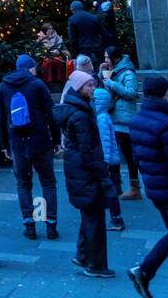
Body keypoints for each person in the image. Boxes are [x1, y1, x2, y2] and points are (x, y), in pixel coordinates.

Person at [55, 70, 116, 278]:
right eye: (89, 85)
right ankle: (95, 264)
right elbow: (88, 150)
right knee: (94, 218)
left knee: (89, 215)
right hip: (85, 172)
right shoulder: (81, 115)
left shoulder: (77, 110)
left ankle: (83, 255)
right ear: (80, 87)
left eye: (93, 84)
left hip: (78, 171)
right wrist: (103, 174)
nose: (93, 88)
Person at [0, 53, 60, 240]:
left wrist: (4, 144)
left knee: (23, 184)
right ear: (30, 67)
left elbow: (0, 118)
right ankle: (51, 225)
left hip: (17, 143)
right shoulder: (37, 84)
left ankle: (29, 225)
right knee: (47, 182)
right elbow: (51, 114)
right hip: (40, 141)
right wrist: (56, 140)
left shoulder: (4, 86)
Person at [127, 74, 168, 298]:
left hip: (155, 188)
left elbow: (138, 158)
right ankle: (144, 270)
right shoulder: (166, 125)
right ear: (164, 93)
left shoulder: (137, 121)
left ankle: (144, 272)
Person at [101, 45, 141, 200]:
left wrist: (111, 83)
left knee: (128, 154)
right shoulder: (114, 70)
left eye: (106, 57)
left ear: (115, 58)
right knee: (117, 152)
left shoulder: (128, 72)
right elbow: (105, 87)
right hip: (114, 116)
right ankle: (118, 185)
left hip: (124, 119)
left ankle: (134, 187)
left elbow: (131, 93)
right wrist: (102, 73)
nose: (105, 60)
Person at [93, 86, 125, 232]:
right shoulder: (104, 116)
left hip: (108, 161)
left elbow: (105, 141)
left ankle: (116, 219)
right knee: (110, 189)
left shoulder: (101, 119)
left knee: (110, 190)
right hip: (112, 160)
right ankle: (115, 217)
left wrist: (104, 161)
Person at [67, 0, 104, 69]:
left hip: (83, 50)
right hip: (97, 49)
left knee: (86, 72)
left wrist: (74, 54)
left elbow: (72, 39)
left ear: (73, 10)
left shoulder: (72, 19)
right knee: (99, 71)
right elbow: (103, 33)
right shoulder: (94, 17)